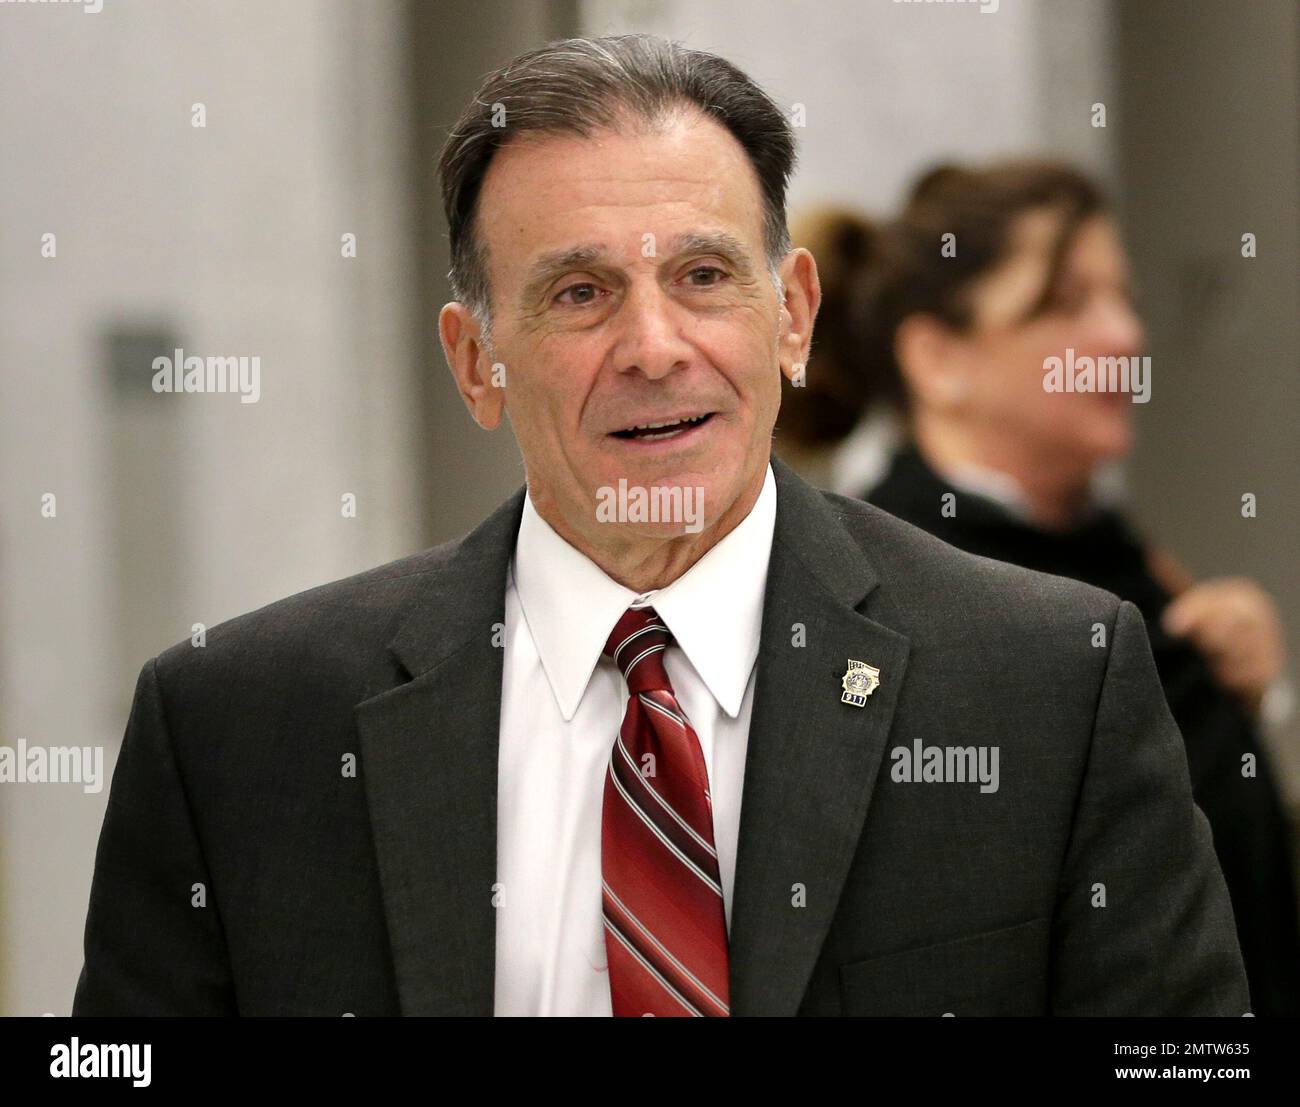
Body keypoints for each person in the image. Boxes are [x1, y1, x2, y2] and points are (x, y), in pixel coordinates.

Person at [73, 37, 1247, 1017]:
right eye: (578, 293)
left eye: (700, 276)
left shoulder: (1047, 684)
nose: (653, 348)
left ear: (790, 317)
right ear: (476, 362)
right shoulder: (238, 728)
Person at [780, 162, 1298, 1014]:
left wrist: (1247, 692)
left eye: (1122, 298)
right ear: (937, 357)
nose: (1124, 335)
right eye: (1067, 304)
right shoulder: (870, 592)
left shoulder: (1122, 555)